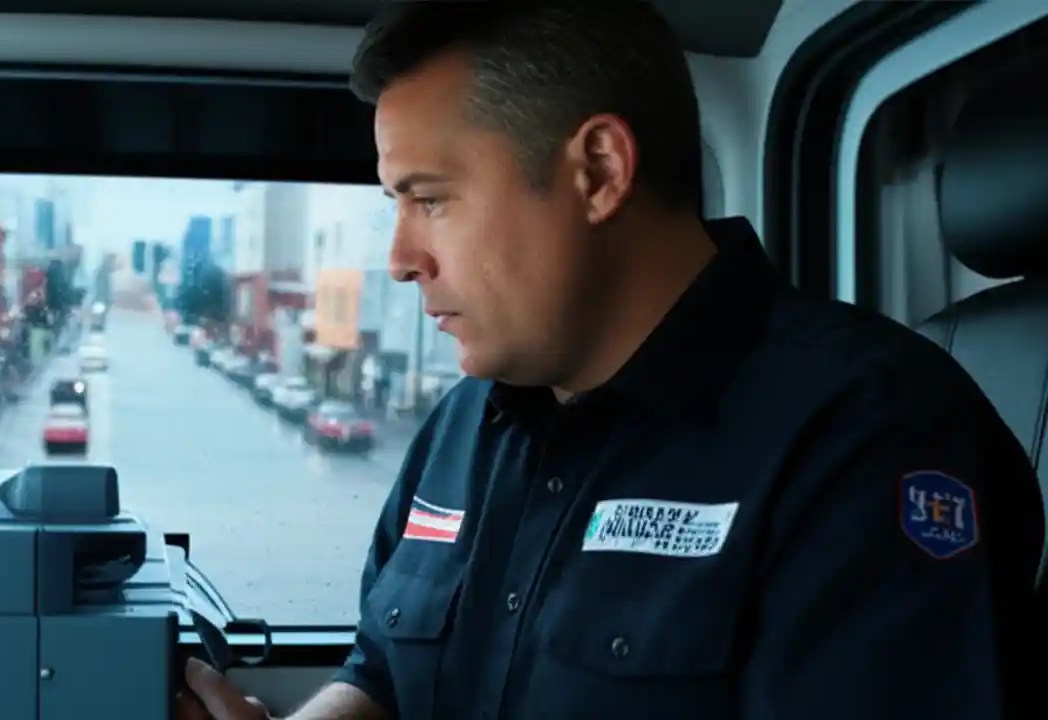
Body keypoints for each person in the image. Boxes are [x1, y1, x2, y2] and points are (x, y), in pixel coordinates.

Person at [177, 1, 1045, 718]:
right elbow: (381, 675)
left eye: (431, 201)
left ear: (598, 171)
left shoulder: (868, 435)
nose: (400, 258)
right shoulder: (461, 428)